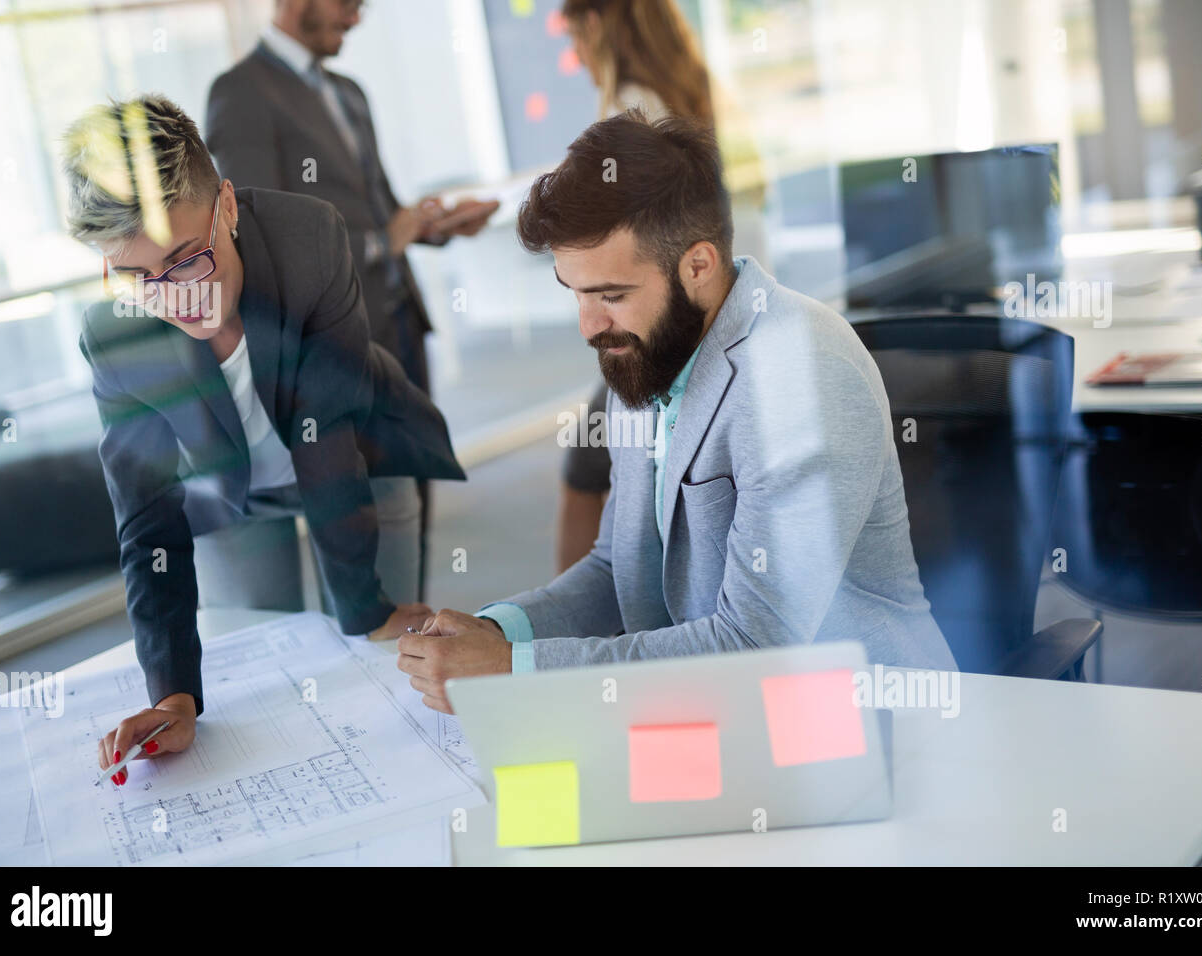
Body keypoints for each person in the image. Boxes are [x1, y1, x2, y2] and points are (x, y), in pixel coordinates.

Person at [396, 111, 956, 714]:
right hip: (716, 719)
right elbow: (619, 569)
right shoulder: (644, 351)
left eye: (611, 295)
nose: (590, 326)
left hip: (862, 725)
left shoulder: (803, 374)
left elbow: (755, 644)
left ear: (698, 265)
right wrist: (498, 635)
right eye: (576, 294)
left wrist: (516, 670)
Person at [62, 95, 465, 783]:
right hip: (232, 491)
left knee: (381, 661)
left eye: (186, 261)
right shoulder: (115, 334)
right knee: (267, 684)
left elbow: (324, 431)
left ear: (225, 205)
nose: (171, 298)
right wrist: (172, 691)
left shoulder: (309, 238)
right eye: (135, 276)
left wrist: (365, 611)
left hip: (357, 465)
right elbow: (147, 521)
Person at [204, 0, 498, 597]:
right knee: (357, 523)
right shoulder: (241, 93)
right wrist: (384, 239)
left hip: (400, 326)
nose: (357, 19)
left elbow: (379, 213)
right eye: (347, 3)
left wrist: (428, 227)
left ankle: (406, 643)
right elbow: (254, 238)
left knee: (408, 512)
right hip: (332, 342)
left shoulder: (350, 92)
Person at [556, 0, 715, 573]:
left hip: (661, 323)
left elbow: (615, 241)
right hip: (687, 311)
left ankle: (566, 645)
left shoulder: (632, 105)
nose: (572, 50)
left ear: (596, 24)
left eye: (572, 32)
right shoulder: (675, 93)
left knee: (584, 470)